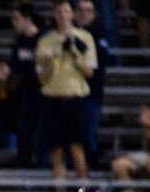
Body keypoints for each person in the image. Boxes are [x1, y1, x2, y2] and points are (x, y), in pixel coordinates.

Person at [36, 0, 97, 181]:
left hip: (76, 99)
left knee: (77, 150)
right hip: (53, 100)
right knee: (57, 151)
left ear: (72, 14)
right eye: (59, 12)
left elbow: (90, 72)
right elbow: (42, 79)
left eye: (66, 12)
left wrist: (75, 55)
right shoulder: (45, 41)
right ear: (55, 15)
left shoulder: (84, 38)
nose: (63, 16)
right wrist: (48, 61)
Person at [10, 2, 44, 168]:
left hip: (42, 95)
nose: (14, 23)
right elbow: (15, 68)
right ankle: (24, 171)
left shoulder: (43, 40)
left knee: (40, 136)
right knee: (23, 133)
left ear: (27, 19)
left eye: (17, 19)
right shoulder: (19, 41)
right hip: (25, 95)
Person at [75, 0, 108, 167]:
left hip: (90, 94)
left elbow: (97, 68)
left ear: (94, 15)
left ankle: (91, 177)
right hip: (70, 94)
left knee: (87, 138)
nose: (83, 14)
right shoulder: (67, 34)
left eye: (88, 11)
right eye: (80, 10)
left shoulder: (98, 34)